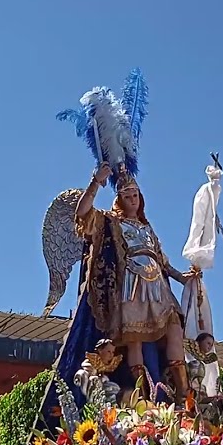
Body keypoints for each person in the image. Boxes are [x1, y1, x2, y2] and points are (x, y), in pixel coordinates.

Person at [75, 160, 198, 400]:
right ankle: (144, 396)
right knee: (135, 341)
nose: (134, 199)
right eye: (128, 195)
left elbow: (163, 262)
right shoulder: (111, 222)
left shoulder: (148, 228)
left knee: (174, 329)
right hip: (132, 285)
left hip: (158, 287)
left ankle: (184, 394)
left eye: (136, 195)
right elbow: (82, 213)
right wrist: (96, 181)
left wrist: (183, 279)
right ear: (120, 199)